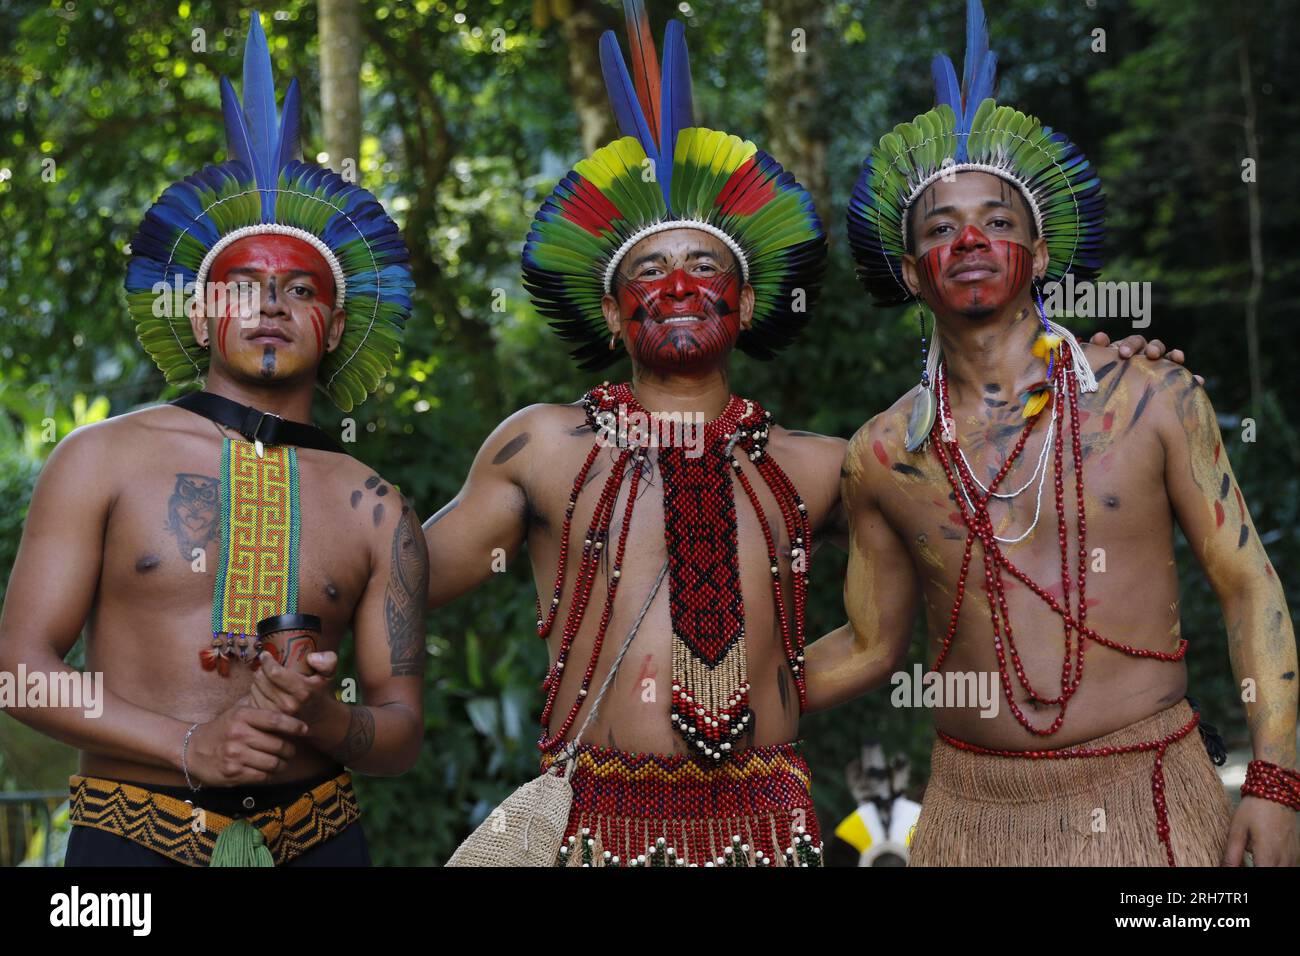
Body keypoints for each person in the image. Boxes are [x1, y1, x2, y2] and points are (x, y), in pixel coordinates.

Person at [426, 0, 1177, 868]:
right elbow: (393, 583)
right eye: (648, 271)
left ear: (746, 304)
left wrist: (1087, 368)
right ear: (608, 309)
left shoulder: (834, 464)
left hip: (769, 825)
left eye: (705, 266)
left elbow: (978, 499)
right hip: (598, 823)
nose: (677, 286)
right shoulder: (542, 448)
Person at [808, 0, 1299, 866]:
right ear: (910, 272)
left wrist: (1279, 779)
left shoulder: (1150, 397)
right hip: (969, 816)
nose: (969, 238)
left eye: (999, 221)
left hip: (1154, 798)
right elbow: (868, 645)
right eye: (939, 227)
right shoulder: (883, 456)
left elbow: (1248, 585)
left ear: (1038, 255)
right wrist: (717, 703)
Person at [0, 12, 427, 866]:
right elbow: (18, 668)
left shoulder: (377, 508)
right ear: (200, 313)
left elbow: (401, 728)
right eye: (244, 285)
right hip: (133, 841)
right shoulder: (103, 459)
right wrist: (187, 746)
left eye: (299, 287)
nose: (270, 303)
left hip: (320, 840)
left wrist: (326, 719)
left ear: (333, 323)